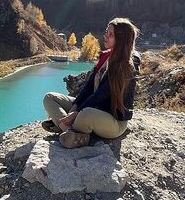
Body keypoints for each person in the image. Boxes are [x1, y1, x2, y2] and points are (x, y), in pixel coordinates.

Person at [42, 17, 140, 148]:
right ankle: (70, 131)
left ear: (121, 39)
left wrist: (76, 113)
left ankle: (62, 125)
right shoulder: (105, 57)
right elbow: (88, 88)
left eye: (111, 34)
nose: (105, 36)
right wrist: (75, 106)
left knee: (85, 114)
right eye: (106, 32)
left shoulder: (128, 63)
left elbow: (101, 93)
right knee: (50, 98)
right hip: (93, 107)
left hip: (113, 120)